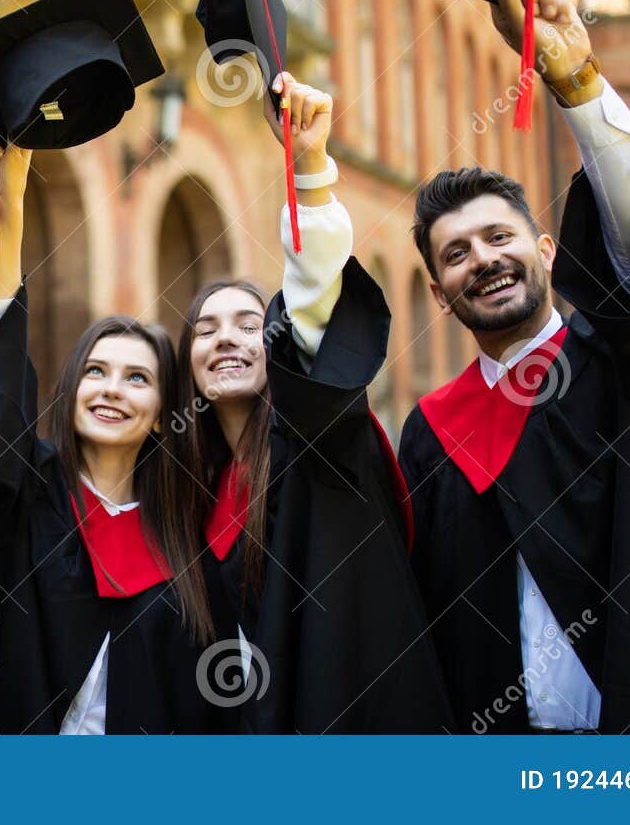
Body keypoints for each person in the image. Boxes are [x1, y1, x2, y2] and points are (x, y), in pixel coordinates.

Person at [396, 0, 630, 734]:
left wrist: (576, 85)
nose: (483, 260)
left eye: (500, 237)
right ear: (437, 290)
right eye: (456, 253)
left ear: (547, 251)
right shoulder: (431, 434)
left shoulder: (627, 367)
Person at [177, 74, 454, 733]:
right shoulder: (190, 481)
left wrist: (309, 172)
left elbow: (310, 304)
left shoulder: (323, 439)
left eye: (248, 323)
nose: (226, 339)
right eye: (205, 329)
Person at [0, 139, 222, 734]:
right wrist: (10, 201)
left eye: (137, 378)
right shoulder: (28, 494)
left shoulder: (184, 526)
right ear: (71, 389)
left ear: (164, 405)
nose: (112, 389)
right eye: (96, 371)